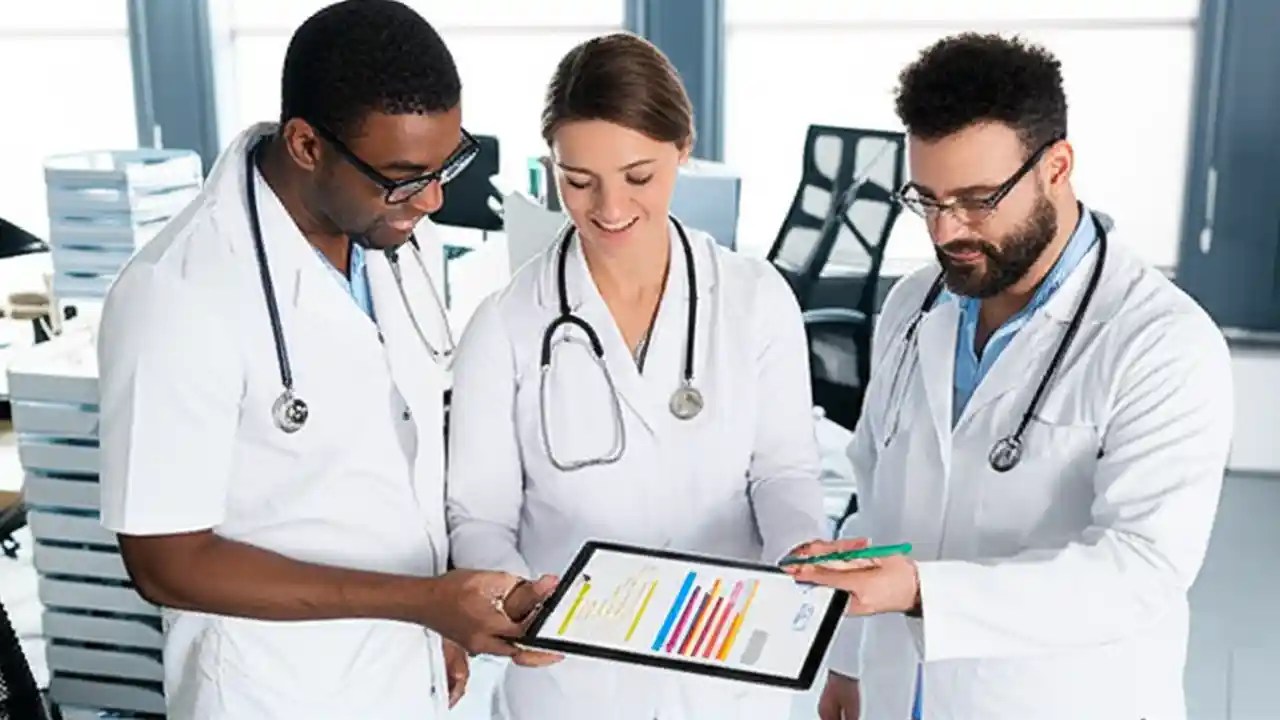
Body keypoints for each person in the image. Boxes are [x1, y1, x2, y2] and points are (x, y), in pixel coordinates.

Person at [96, 2, 558, 718]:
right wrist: (424, 603)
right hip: (275, 690)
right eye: (405, 177)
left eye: (447, 166)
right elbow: (165, 563)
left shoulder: (389, 232)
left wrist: (435, 618)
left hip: (403, 669)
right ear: (308, 145)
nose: (432, 200)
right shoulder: (177, 293)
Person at [786, 33, 1233, 720]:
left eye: (976, 199)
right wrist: (847, 663)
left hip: (1057, 698)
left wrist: (921, 592)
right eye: (928, 200)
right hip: (900, 688)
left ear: (1057, 166)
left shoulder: (1163, 343)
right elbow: (877, 486)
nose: (945, 232)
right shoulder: (914, 304)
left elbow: (1141, 571)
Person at [445, 32, 826, 720]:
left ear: (684, 150)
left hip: (723, 674)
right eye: (578, 181)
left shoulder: (754, 298)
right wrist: (518, 595)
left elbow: (783, 474)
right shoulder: (503, 325)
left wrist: (801, 551)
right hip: (573, 681)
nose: (610, 208)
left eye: (638, 177)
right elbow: (480, 515)